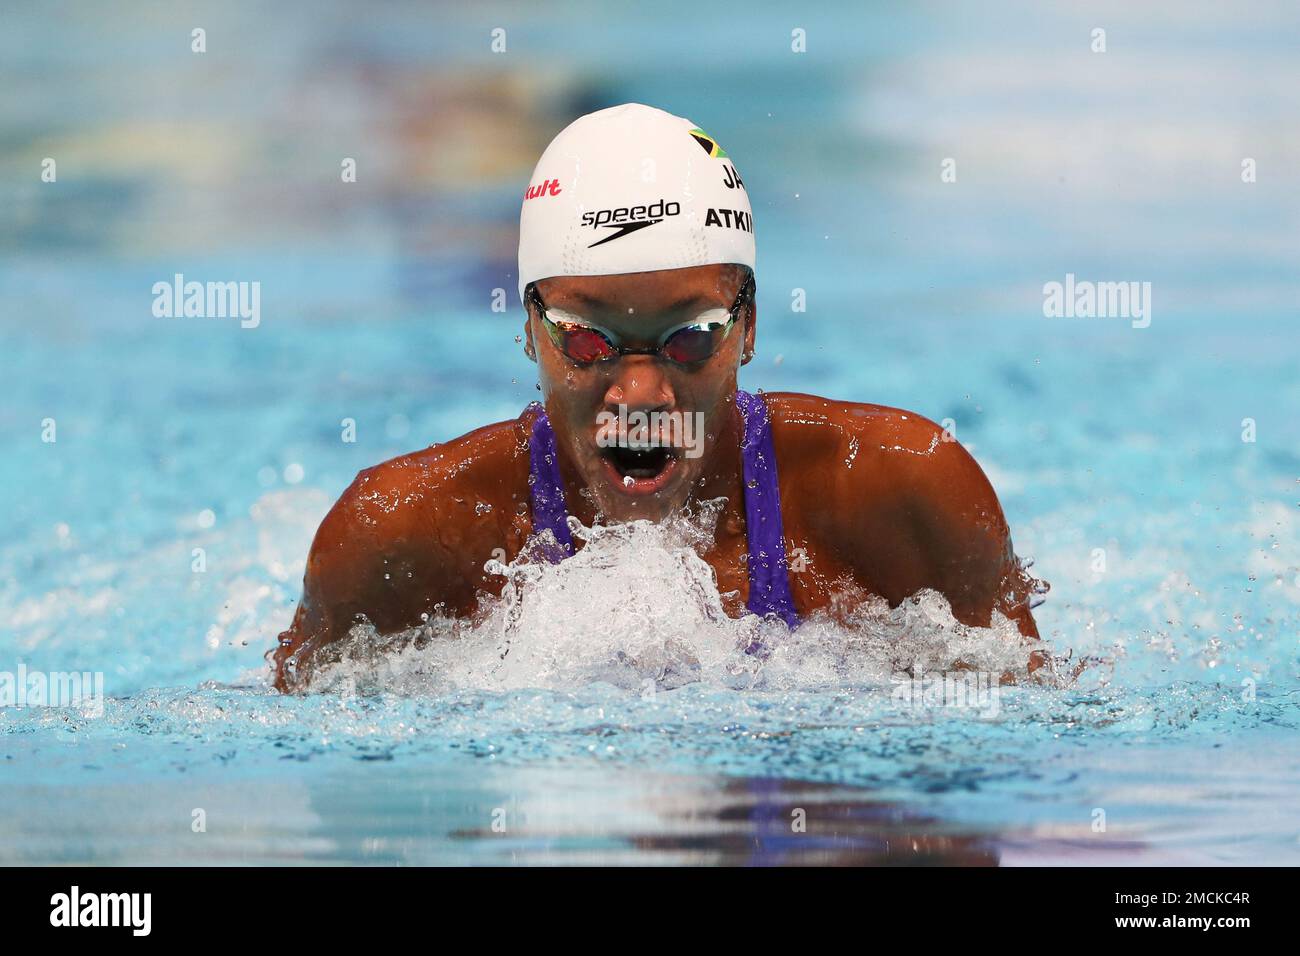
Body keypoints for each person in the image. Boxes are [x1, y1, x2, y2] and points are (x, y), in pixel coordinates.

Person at [271, 103, 1045, 692]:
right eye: (587, 341)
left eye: (689, 337)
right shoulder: (399, 537)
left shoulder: (902, 493)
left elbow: (1025, 755)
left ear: (747, 328)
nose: (640, 392)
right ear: (531, 333)